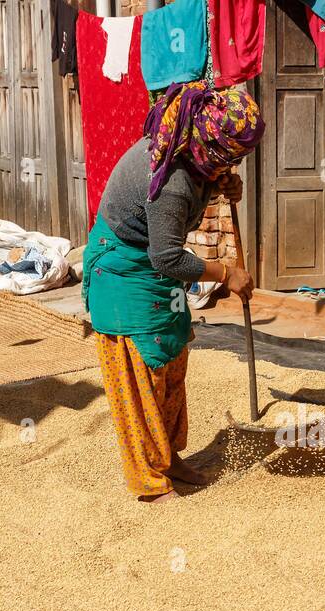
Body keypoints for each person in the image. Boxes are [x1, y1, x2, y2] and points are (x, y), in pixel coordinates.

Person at [84, 81, 264, 502]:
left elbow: (197, 191)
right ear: (212, 147)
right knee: (141, 374)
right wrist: (225, 273)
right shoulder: (172, 182)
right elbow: (167, 256)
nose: (237, 161)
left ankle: (170, 457)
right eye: (233, 155)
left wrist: (222, 184)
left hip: (152, 268)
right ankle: (147, 480)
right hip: (123, 270)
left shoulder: (195, 157)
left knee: (172, 356)